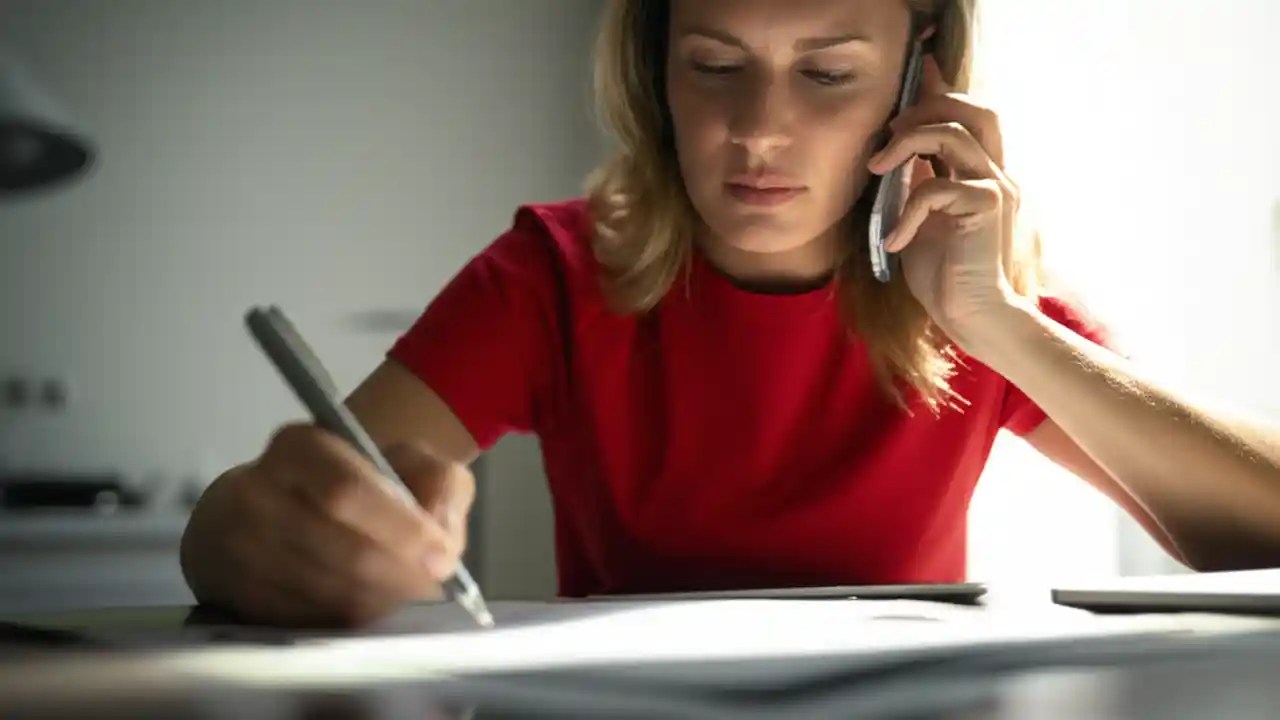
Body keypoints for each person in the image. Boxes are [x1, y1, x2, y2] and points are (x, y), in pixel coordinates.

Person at [180, 0, 1280, 627]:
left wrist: (995, 324)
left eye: (826, 74)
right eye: (714, 65)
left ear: (917, 83)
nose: (758, 129)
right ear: (654, 70)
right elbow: (255, 514)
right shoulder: (551, 279)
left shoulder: (971, 284)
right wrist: (260, 538)